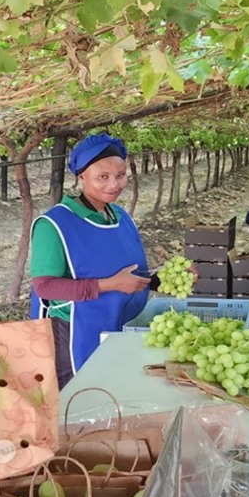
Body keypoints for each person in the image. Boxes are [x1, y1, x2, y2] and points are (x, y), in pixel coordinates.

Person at [29, 133, 155, 388]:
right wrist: (109, 285)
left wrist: (164, 278)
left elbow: (130, 275)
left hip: (117, 324)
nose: (114, 185)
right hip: (73, 333)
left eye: (120, 175)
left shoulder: (119, 216)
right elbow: (45, 287)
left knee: (109, 394)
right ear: (81, 176)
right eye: (102, 177)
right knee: (80, 402)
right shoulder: (54, 224)